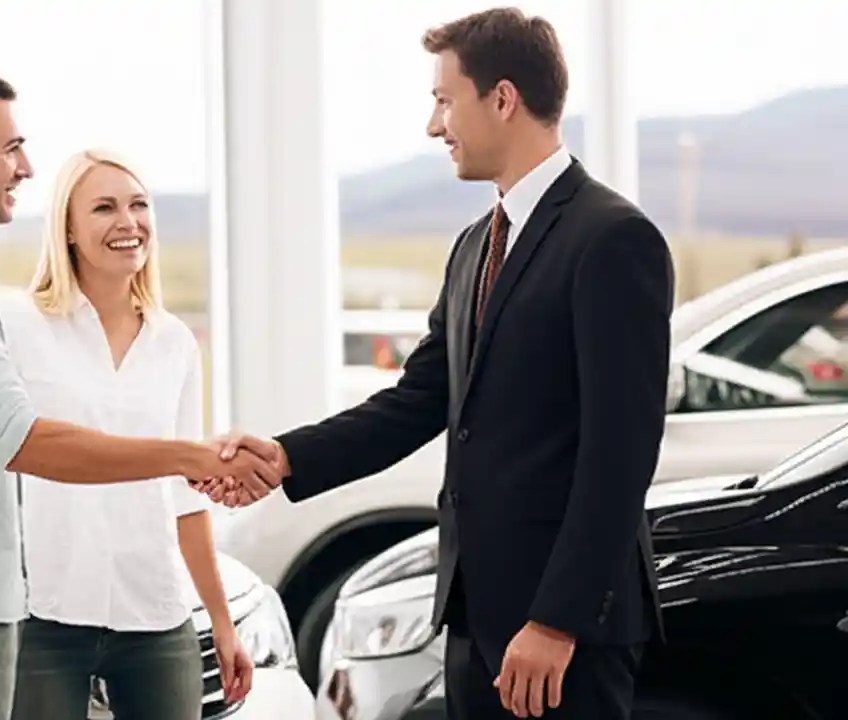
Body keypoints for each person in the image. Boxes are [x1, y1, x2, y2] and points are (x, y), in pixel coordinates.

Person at [203, 8, 673, 720]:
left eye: (444, 101)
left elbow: (621, 457)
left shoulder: (613, 240)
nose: (434, 126)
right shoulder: (475, 246)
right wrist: (284, 457)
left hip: (562, 632)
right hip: (478, 617)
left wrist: (556, 622)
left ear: (503, 98)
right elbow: (416, 401)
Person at [0, 67, 275, 720]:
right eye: (10, 149)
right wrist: (191, 457)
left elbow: (182, 502)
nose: (23, 167)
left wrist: (220, 620)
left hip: (146, 604)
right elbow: (16, 436)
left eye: (139, 205)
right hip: (34, 607)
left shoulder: (173, 343)